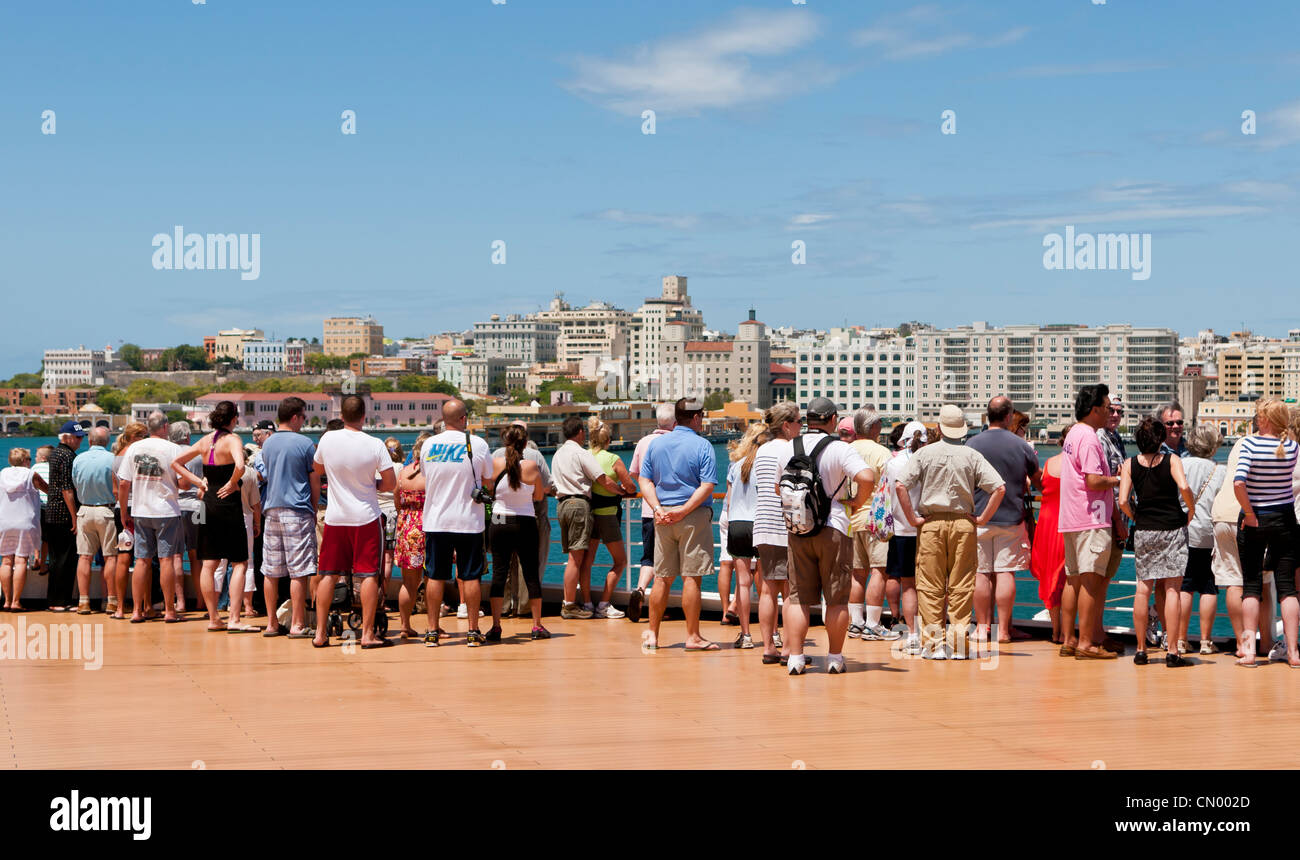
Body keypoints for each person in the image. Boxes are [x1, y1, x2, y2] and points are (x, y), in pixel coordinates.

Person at [896, 404, 1005, 660]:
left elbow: (901, 485)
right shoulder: (972, 455)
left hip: (931, 523)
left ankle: (934, 646)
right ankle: (958, 645)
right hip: (963, 523)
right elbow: (999, 488)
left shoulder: (924, 454)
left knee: (930, 585)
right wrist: (982, 518)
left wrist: (912, 518)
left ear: (940, 427)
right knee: (961, 584)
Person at [781, 398, 873, 675]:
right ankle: (834, 657)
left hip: (798, 529)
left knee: (797, 597)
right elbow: (867, 476)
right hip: (834, 526)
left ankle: (796, 658)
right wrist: (857, 501)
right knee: (836, 599)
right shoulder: (839, 449)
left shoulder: (789, 447)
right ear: (832, 420)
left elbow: (778, 487)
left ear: (808, 419)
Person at [311, 395, 396, 649]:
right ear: (363, 416)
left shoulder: (327, 439)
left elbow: (317, 470)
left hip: (336, 518)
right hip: (366, 518)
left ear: (342, 415)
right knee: (368, 574)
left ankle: (320, 633)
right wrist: (373, 485)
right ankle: (368, 634)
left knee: (327, 573)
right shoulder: (375, 444)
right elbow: (391, 483)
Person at [640, 397, 718, 652]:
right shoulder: (703, 445)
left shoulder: (657, 444)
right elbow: (707, 485)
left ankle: (652, 634)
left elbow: (645, 481)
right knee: (691, 578)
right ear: (696, 418)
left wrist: (658, 509)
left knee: (661, 577)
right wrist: (684, 510)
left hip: (662, 517)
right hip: (692, 516)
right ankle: (692, 636)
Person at [171, 401, 256, 632]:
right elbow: (240, 464)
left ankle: (213, 618)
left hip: (207, 504)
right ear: (233, 419)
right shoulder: (233, 440)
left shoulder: (206, 441)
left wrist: (199, 481)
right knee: (239, 562)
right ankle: (234, 619)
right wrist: (231, 483)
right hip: (228, 505)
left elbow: (176, 463)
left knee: (209, 563)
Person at [1118, 417, 1194, 667]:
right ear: (1161, 438)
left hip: (1144, 529)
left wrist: (1135, 516)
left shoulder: (1129, 464)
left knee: (1143, 588)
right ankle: (1172, 651)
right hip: (1172, 527)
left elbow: (1123, 501)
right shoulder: (1172, 459)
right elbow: (1183, 485)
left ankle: (1140, 649)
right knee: (1172, 588)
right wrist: (1190, 511)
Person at [1232, 398, 1299, 667]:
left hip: (1255, 518)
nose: (1256, 419)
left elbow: (1239, 482)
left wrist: (1249, 513)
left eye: (1259, 415)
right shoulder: (1293, 447)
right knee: (1287, 589)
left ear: (1266, 419)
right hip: (1284, 519)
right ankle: (1293, 653)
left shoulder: (1249, 444)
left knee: (1251, 586)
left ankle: (1249, 652)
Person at [967, 396, 1040, 645]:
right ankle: (1005, 631)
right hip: (1011, 517)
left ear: (988, 416)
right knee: (1006, 572)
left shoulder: (972, 443)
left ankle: (982, 628)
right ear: (1009, 417)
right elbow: (1038, 480)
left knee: (981, 574)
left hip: (979, 517)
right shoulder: (1021, 446)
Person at [1057, 385, 1122, 660]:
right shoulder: (1091, 438)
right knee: (1091, 581)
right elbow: (1093, 480)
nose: (1110, 412)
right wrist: (1119, 478)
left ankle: (1068, 638)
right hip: (1091, 518)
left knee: (1072, 581)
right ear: (1094, 410)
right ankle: (1086, 643)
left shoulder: (1072, 433)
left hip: (1071, 518)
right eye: (1107, 407)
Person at [419, 397, 490, 647]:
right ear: (464, 419)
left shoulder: (428, 445)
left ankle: (431, 631)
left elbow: (426, 477)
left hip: (436, 521)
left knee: (435, 576)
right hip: (469, 522)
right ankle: (472, 631)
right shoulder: (478, 444)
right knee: (471, 577)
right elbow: (488, 478)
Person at [259, 397, 320, 639]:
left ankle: (272, 623)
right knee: (299, 571)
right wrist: (314, 509)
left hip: (271, 509)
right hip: (297, 509)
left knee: (271, 571)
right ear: (295, 417)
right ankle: (296, 624)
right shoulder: (306, 444)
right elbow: (314, 481)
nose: (304, 421)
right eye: (304, 417)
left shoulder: (268, 444)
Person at [116, 411, 186, 624]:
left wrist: (123, 512)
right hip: (166, 510)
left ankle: (137, 611)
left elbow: (123, 483)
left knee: (142, 561)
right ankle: (170, 611)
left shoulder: (134, 448)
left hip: (140, 510)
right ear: (165, 427)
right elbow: (184, 484)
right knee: (166, 559)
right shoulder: (174, 449)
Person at [552, 416, 620, 620]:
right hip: (579, 505)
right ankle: (569, 605)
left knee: (573, 558)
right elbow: (603, 480)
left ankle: (570, 602)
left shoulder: (557, 454)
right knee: (576, 559)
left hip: (562, 505)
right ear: (580, 433)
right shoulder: (580, 453)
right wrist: (621, 491)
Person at [486, 424, 549, 639]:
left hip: (499, 520)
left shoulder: (495, 464)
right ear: (525, 443)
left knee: (498, 574)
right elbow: (539, 496)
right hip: (525, 521)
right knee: (531, 574)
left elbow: (488, 489)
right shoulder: (531, 466)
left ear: (505, 442)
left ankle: (496, 626)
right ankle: (537, 625)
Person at [841, 410, 898, 641]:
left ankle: (855, 622)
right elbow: (892, 484)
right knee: (879, 571)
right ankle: (873, 624)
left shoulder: (846, 450)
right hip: (875, 518)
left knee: (857, 573)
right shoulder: (882, 453)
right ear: (873, 428)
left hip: (848, 519)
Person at [751, 403, 799, 664]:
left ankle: (768, 647)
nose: (801, 427)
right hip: (787, 526)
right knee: (791, 591)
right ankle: (790, 648)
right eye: (799, 422)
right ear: (787, 425)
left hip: (763, 525)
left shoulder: (761, 450)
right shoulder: (792, 449)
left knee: (767, 590)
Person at [626, 402, 676, 622]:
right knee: (666, 562)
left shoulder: (643, 442)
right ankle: (658, 607)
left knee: (648, 557)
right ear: (675, 423)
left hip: (648, 510)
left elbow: (634, 473)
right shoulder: (675, 442)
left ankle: (639, 589)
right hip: (672, 510)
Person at [1176, 425, 1223, 656]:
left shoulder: (1180, 465)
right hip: (1208, 533)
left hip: (1183, 531)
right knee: (1208, 586)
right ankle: (1206, 641)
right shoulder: (1219, 471)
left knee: (1185, 586)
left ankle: (1181, 640)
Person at [721, 422, 768, 649]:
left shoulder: (735, 466)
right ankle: (773, 633)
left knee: (743, 582)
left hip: (737, 524)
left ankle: (746, 634)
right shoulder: (766, 466)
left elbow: (729, 502)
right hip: (760, 523)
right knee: (767, 583)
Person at [587, 417, 638, 618]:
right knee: (620, 561)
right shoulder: (612, 459)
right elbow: (631, 486)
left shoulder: (585, 456)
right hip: (608, 516)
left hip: (590, 515)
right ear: (608, 440)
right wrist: (624, 491)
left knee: (587, 562)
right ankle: (604, 604)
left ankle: (586, 603)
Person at [884, 420, 927, 654]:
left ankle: (912, 633)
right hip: (927, 528)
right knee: (934, 585)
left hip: (901, 529)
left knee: (907, 585)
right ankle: (933, 630)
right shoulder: (930, 459)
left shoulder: (894, 463)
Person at [71, 426, 118, 615]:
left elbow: (75, 483)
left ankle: (84, 601)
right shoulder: (113, 460)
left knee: (84, 557)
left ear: (89, 441)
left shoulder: (78, 459)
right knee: (110, 557)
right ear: (106, 442)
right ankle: (111, 601)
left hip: (84, 511)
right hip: (106, 511)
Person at [394, 431, 432, 639]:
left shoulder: (403, 473)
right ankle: (432, 625)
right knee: (432, 578)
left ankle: (404, 625)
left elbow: (397, 502)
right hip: (429, 525)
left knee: (408, 582)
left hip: (407, 527)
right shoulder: (431, 475)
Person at [1029, 435, 1067, 642]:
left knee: (1051, 576)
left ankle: (1056, 630)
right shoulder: (1077, 466)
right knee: (1069, 579)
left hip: (1046, 523)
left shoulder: (1049, 463)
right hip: (1067, 523)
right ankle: (1066, 633)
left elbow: (1041, 484)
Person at [44, 421, 85, 612]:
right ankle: (60, 601)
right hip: (64, 514)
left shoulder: (55, 454)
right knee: (65, 560)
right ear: (67, 437)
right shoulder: (68, 456)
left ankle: (54, 599)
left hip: (52, 513)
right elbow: (67, 489)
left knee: (56, 559)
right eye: (78, 437)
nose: (81, 441)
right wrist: (75, 517)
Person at [0, 448, 47, 611]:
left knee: (6, 561)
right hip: (25, 521)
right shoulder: (30, 474)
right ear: (25, 460)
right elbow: (47, 489)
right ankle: (16, 602)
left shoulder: (2, 474)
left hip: (4, 521)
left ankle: (6, 601)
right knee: (21, 560)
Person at [108, 423, 147, 619]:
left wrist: (122, 510)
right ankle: (144, 606)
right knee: (143, 558)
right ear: (136, 437)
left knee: (123, 558)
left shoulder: (116, 458)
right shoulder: (138, 456)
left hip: (120, 508)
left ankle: (120, 607)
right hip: (138, 508)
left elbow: (116, 490)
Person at [168, 421, 201, 615]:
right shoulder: (197, 454)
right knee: (197, 555)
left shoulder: (169, 453)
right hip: (198, 508)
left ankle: (180, 602)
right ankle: (200, 599)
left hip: (176, 507)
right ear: (187, 435)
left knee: (176, 555)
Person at [378, 437, 402, 584]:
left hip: (375, 515)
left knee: (375, 558)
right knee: (388, 559)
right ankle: (383, 597)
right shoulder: (400, 468)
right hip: (392, 515)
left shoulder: (377, 467)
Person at [31, 445, 52, 575]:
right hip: (48, 507)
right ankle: (43, 564)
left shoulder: (34, 468)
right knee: (46, 539)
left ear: (42, 458)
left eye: (36, 456)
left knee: (35, 536)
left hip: (36, 507)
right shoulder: (53, 468)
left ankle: (36, 559)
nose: (35, 458)